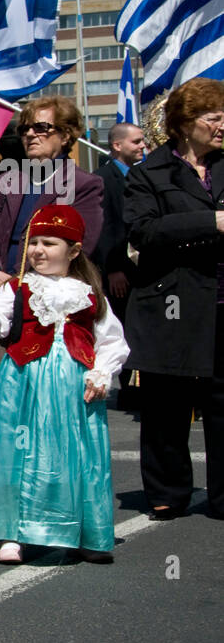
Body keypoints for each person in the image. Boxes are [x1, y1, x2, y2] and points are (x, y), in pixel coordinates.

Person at [0, 96, 103, 519]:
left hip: (56, 304)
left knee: (47, 399)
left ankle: (46, 491)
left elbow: (84, 244)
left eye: (42, 128)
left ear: (67, 135)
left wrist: (40, 280)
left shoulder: (86, 183)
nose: (32, 135)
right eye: (27, 129)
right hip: (5, 298)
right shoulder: (9, 178)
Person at [0, 205, 129, 563]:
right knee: (19, 453)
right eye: (33, 242)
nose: (38, 251)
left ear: (74, 251)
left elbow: (112, 341)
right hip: (25, 380)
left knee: (76, 455)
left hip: (75, 383)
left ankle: (83, 532)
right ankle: (14, 533)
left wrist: (101, 373)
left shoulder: (89, 293)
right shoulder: (16, 288)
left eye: (49, 243)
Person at [122, 77, 224, 521]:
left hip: (221, 302)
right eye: (214, 118)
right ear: (185, 123)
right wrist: (211, 222)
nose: (222, 126)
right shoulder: (150, 172)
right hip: (172, 302)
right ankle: (167, 491)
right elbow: (143, 231)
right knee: (167, 404)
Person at [95, 122, 145, 408]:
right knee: (123, 327)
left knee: (138, 327)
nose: (141, 146)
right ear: (117, 145)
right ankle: (129, 389)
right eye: (136, 141)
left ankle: (139, 384)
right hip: (117, 270)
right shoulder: (103, 179)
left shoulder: (139, 176)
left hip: (137, 268)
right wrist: (113, 268)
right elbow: (106, 228)